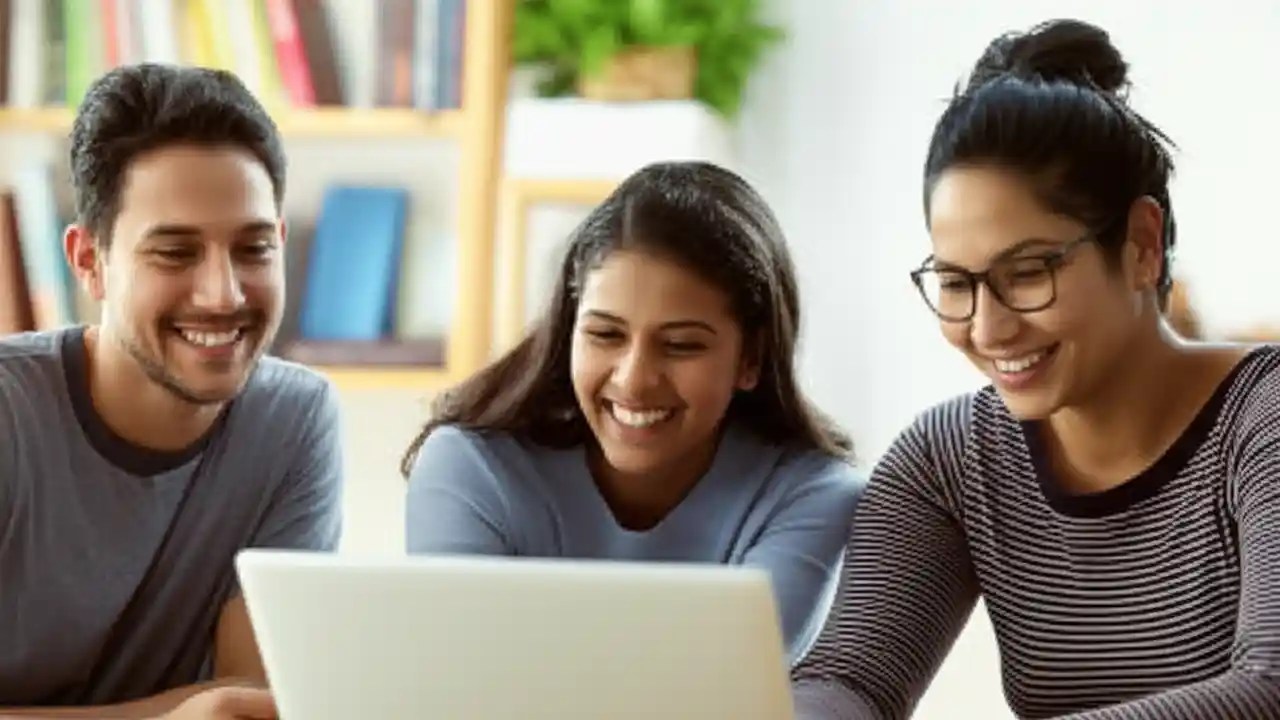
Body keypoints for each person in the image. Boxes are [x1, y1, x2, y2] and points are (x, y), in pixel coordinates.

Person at [790, 18, 1280, 720]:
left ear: (1142, 245)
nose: (987, 329)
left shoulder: (1263, 422)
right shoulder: (948, 462)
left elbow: (1270, 688)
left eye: (1027, 273)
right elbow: (850, 678)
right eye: (956, 282)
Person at [402, 160, 865, 664]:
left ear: (750, 358)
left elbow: (718, 688)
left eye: (682, 345)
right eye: (605, 335)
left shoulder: (809, 494)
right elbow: (460, 681)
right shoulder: (470, 467)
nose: (634, 379)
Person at [0, 64, 343, 718]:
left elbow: (251, 705)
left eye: (254, 249)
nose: (224, 294)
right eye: (175, 253)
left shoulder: (294, 420)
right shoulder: (10, 412)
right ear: (89, 262)